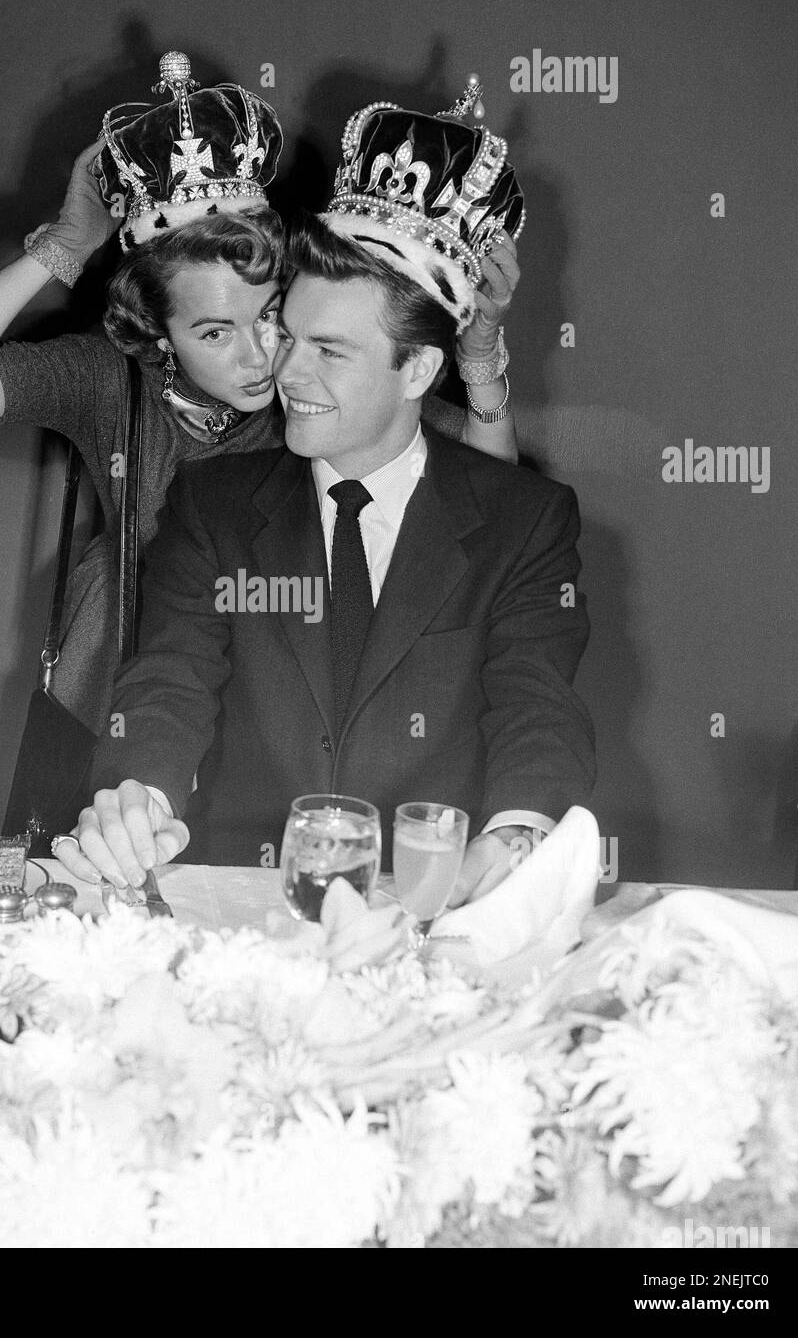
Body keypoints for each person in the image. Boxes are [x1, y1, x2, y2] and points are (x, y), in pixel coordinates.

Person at [54, 97, 595, 905]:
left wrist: (512, 839)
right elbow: (168, 684)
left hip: (432, 903)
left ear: (415, 371)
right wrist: (139, 797)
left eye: (329, 351)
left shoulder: (523, 521)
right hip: (247, 901)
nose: (287, 372)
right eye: (288, 334)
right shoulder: (215, 504)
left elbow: (536, 709)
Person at [0, 55, 523, 740]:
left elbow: (490, 494)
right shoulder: (109, 380)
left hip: (278, 706)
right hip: (123, 686)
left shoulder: (315, 384)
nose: (259, 357)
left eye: (269, 314)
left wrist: (479, 355)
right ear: (157, 331)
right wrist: (65, 245)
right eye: (215, 332)